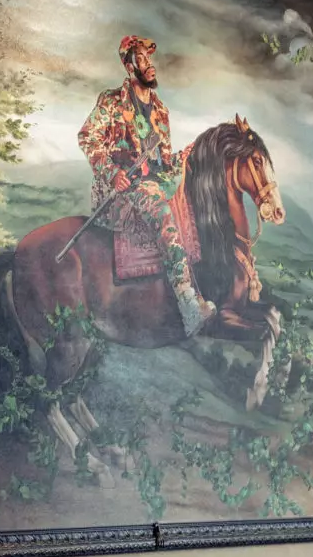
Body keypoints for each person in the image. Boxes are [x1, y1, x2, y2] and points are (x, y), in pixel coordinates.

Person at [78, 35, 215, 337]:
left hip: (157, 180)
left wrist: (184, 156)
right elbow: (88, 137)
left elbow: (163, 162)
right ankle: (188, 308)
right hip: (128, 186)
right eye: (140, 58)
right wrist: (112, 172)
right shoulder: (111, 102)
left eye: (149, 57)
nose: (149, 64)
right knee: (165, 219)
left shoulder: (161, 111)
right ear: (129, 66)